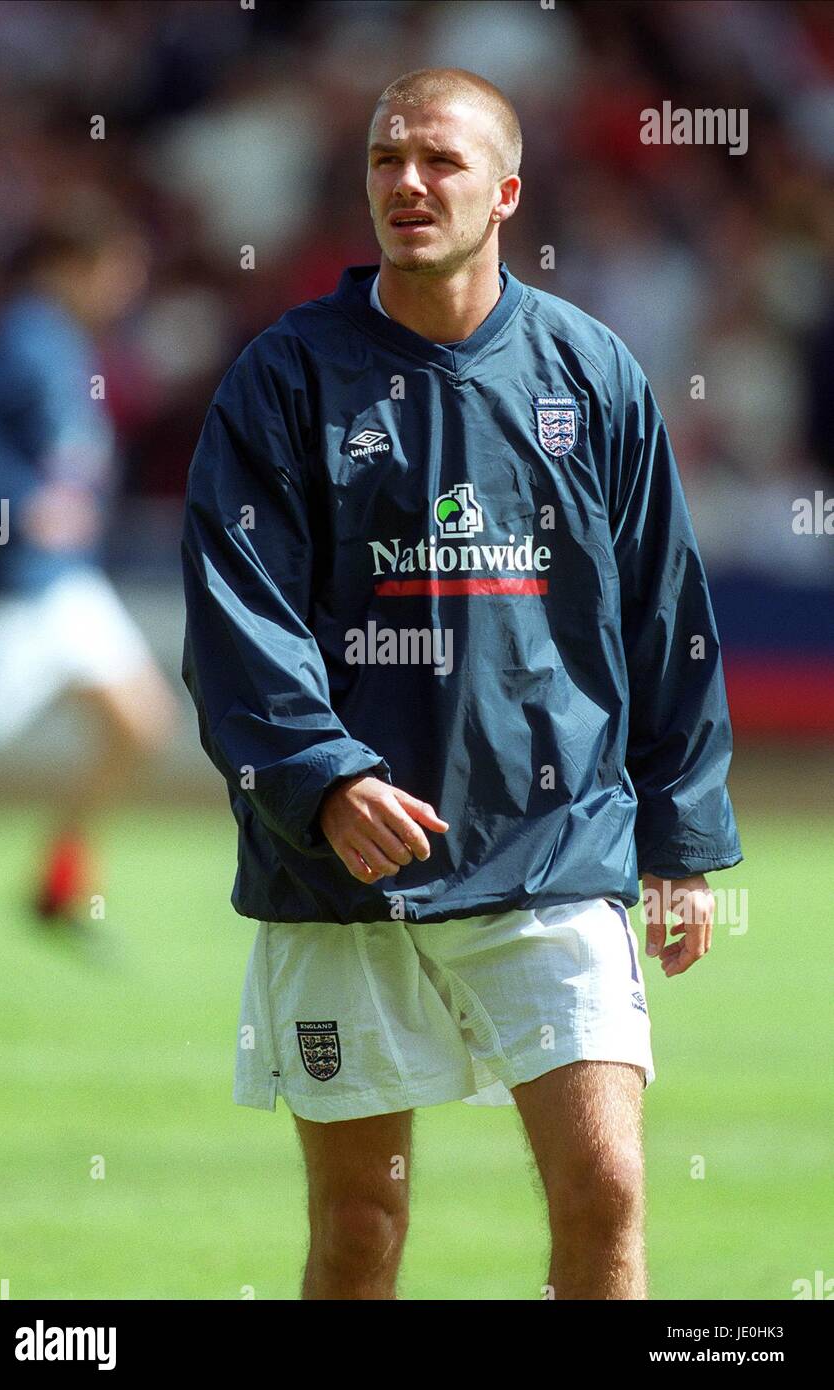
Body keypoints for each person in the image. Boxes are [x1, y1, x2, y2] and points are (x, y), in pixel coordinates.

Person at [181, 68, 742, 1300]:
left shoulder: (589, 373)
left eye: (437, 162)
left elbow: (664, 614)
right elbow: (235, 614)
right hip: (340, 875)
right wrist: (323, 780)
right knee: (359, 1227)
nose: (406, 185)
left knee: (603, 1194)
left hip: (553, 848)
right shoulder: (282, 377)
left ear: (504, 193)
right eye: (386, 161)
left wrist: (681, 837)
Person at [0, 193, 177, 921]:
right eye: (117, 268)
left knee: (141, 722)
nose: (127, 285)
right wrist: (23, 503)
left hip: (63, 586)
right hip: (13, 591)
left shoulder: (62, 339)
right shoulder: (24, 335)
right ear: (70, 266)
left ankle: (60, 884)